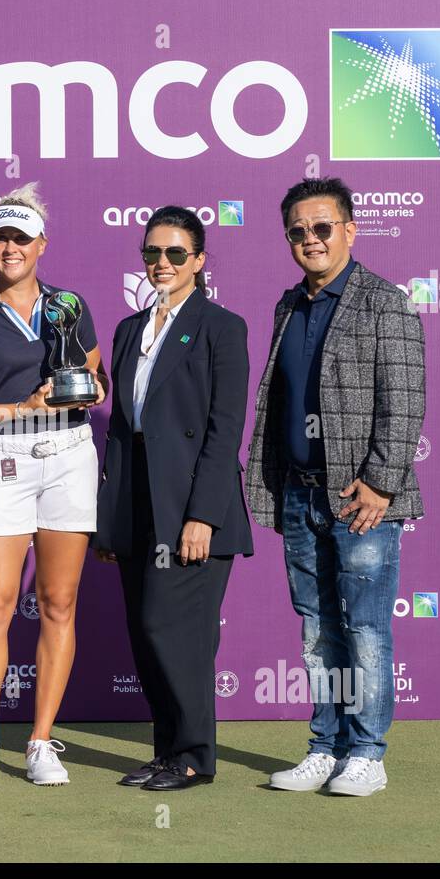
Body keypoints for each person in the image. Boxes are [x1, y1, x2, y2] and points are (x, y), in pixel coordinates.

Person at [245, 177, 426, 797]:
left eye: (322, 227)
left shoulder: (385, 302)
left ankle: (368, 753)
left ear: (350, 229)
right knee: (318, 628)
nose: (310, 239)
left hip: (361, 498)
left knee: (366, 626)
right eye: (298, 230)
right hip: (300, 493)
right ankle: (326, 747)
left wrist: (380, 482)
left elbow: (403, 402)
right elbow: (277, 402)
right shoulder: (287, 305)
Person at [0, 182, 106, 789]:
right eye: (0, 237)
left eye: (21, 238)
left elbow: (95, 376)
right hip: (3, 455)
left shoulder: (70, 306)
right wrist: (16, 409)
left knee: (58, 602)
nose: (10, 247)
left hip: (68, 453)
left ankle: (39, 742)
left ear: (41, 245)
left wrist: (89, 388)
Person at [93, 206, 253, 791]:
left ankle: (193, 756)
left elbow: (224, 426)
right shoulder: (129, 329)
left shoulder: (221, 326)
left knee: (174, 630)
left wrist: (203, 515)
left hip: (191, 507)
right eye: (152, 253)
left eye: (175, 253)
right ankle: (167, 752)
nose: (162, 263)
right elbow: (120, 432)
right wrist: (110, 521)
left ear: (199, 261)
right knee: (145, 631)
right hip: (138, 504)